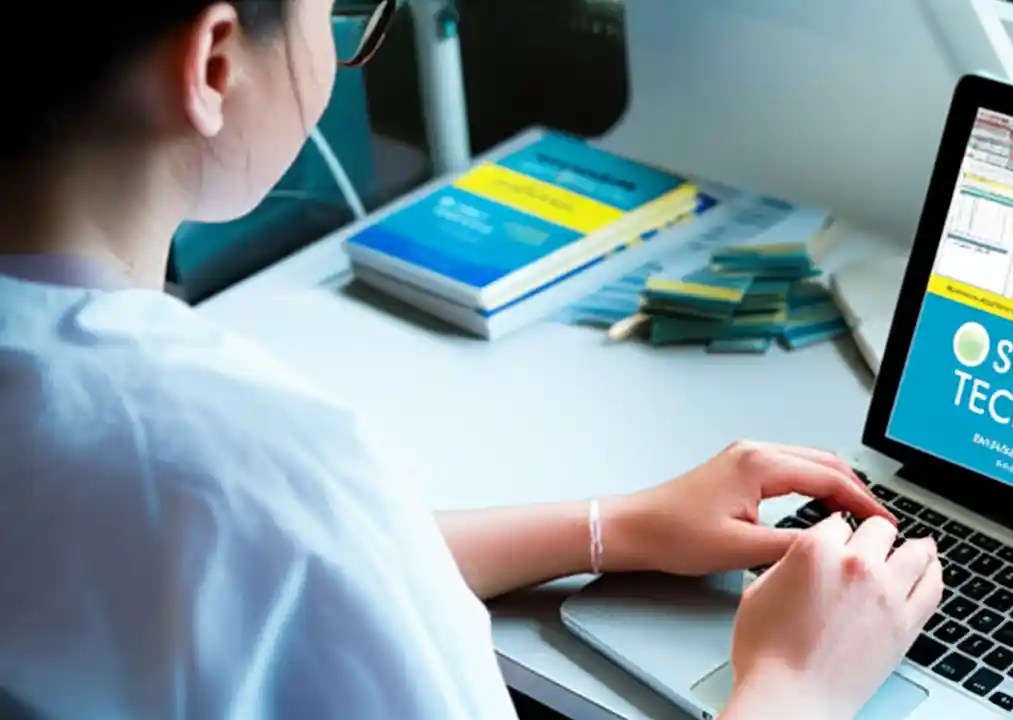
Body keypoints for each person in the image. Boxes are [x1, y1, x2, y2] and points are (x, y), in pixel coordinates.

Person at [0, 2, 943, 719]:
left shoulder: (173, 457)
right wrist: (794, 683)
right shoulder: (255, 459)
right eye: (339, 16)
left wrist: (614, 527)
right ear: (213, 65)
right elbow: (284, 540)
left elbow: (289, 565)